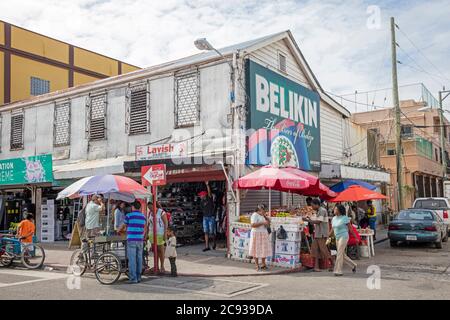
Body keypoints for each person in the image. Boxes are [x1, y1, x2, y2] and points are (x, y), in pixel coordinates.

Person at [120, 201, 146, 284]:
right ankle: (138, 277)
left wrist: (118, 230)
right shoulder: (143, 217)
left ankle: (133, 278)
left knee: (132, 260)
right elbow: (144, 228)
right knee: (139, 259)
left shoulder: (129, 216)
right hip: (140, 240)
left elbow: (123, 226)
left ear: (133, 207)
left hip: (131, 239)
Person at [330, 204, 358, 276]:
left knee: (339, 253)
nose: (334, 210)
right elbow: (333, 229)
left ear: (339, 210)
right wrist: (328, 236)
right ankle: (353, 265)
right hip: (337, 237)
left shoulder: (345, 218)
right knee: (342, 254)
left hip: (344, 236)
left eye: (335, 209)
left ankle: (338, 270)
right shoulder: (334, 218)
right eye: (334, 209)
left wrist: (356, 237)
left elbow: (351, 229)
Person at [306, 199, 333, 272]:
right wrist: (310, 220)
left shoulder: (322, 210)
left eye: (312, 205)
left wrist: (308, 220)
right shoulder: (318, 211)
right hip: (318, 233)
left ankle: (333, 264)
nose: (312, 207)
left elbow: (318, 221)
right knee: (315, 250)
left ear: (316, 204)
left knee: (324, 250)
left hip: (322, 234)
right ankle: (316, 267)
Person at [248, 204, 272, 271]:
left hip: (263, 233)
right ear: (260, 209)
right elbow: (252, 225)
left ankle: (263, 264)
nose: (265, 211)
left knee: (263, 249)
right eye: (264, 210)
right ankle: (256, 265)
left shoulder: (263, 215)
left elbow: (268, 223)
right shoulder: (254, 215)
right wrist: (263, 223)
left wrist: (267, 219)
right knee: (256, 249)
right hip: (256, 234)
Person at [148, 200, 168, 274]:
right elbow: (148, 224)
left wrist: (165, 234)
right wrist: (146, 233)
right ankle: (156, 265)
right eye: (149, 208)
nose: (150, 209)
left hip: (160, 233)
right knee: (155, 251)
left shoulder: (161, 212)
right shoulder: (150, 213)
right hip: (151, 233)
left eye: (151, 207)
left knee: (161, 250)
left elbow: (166, 223)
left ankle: (162, 266)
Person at [200, 181, 216, 252]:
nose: (200, 196)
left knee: (211, 232)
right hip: (205, 217)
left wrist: (207, 185)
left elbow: (209, 193)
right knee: (206, 232)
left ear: (204, 195)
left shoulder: (209, 199)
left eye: (201, 195)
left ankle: (214, 242)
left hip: (211, 217)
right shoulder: (201, 202)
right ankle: (207, 246)